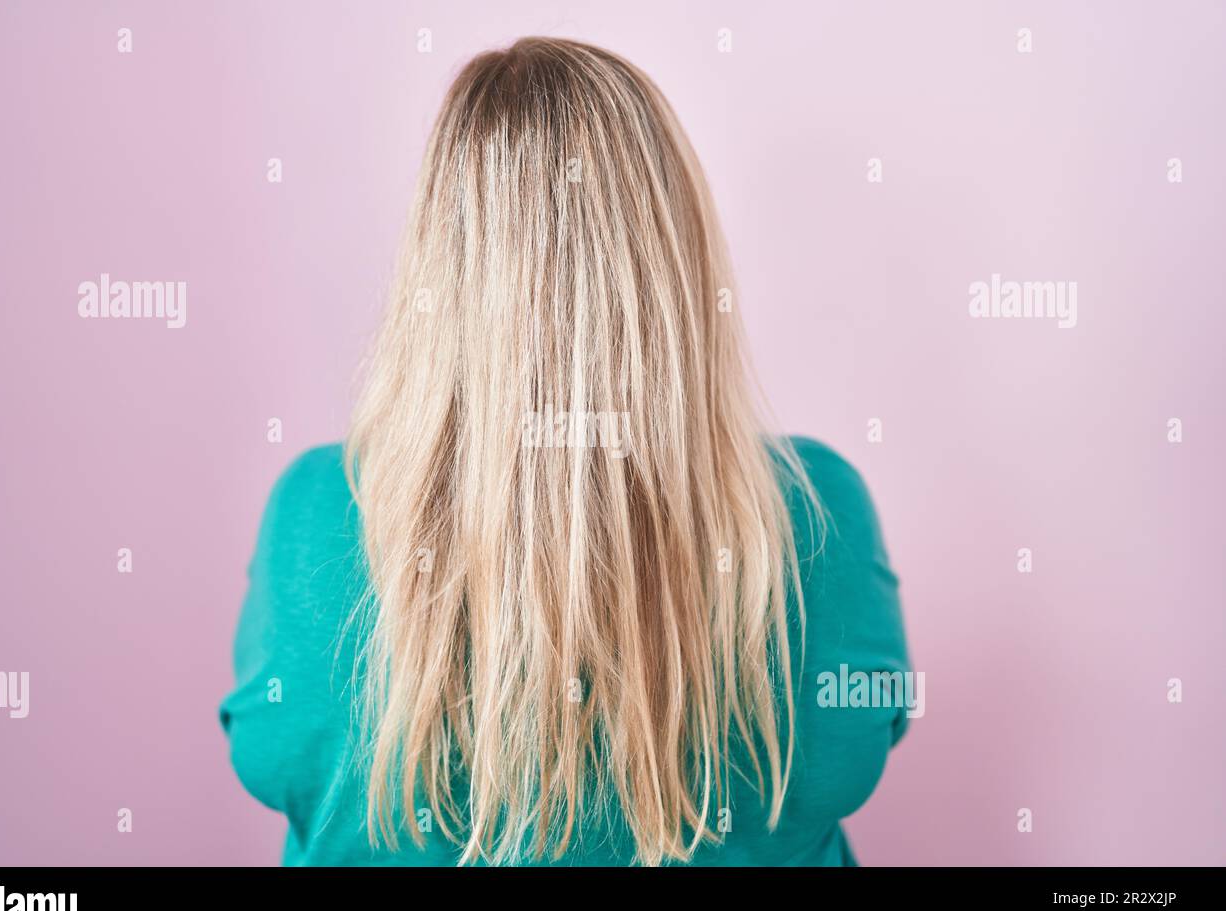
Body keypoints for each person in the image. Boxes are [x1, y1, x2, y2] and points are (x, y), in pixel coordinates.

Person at [220, 37, 909, 867]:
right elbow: (860, 737)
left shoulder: (318, 509)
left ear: (442, 259)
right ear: (676, 256)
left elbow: (272, 747)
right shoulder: (817, 509)